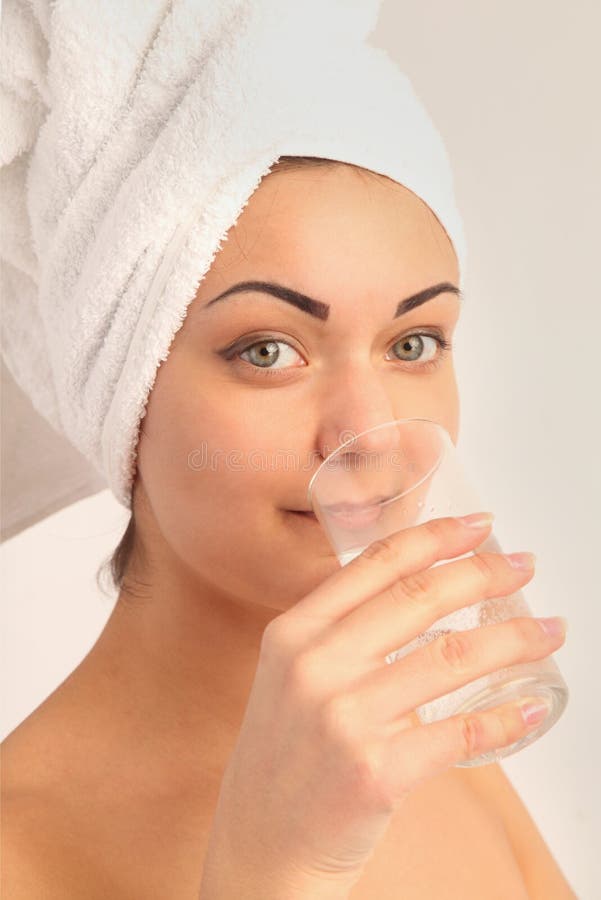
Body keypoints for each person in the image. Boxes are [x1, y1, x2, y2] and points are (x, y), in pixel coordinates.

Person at [1, 155, 576, 898]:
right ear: (120, 398)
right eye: (267, 352)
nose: (369, 436)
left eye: (412, 344)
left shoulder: (416, 740)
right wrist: (277, 875)